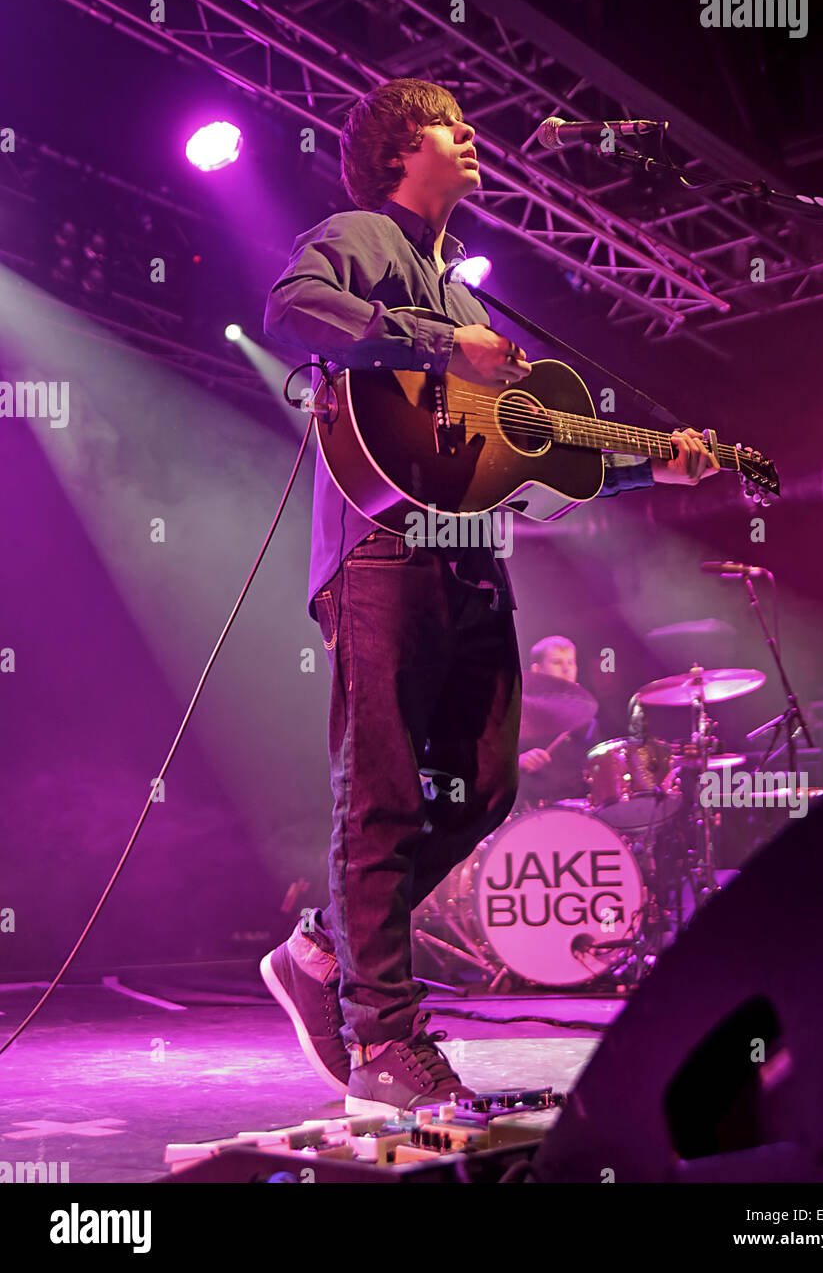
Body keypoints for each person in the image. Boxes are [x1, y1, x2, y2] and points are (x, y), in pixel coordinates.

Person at [259, 77, 721, 1117]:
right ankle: (387, 1041)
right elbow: (289, 308)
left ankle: (323, 949)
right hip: (383, 551)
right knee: (380, 791)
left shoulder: (469, 298)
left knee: (481, 789)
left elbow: (539, 447)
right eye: (446, 124)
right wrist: (429, 344)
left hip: (471, 558)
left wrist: (658, 467)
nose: (471, 135)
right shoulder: (359, 238)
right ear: (395, 155)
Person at [517, 635, 598, 805]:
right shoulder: (517, 713)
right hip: (530, 812)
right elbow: (487, 769)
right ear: (537, 670)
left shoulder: (586, 720)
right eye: (557, 662)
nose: (566, 669)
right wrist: (518, 762)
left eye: (571, 663)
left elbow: (598, 769)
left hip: (579, 809)